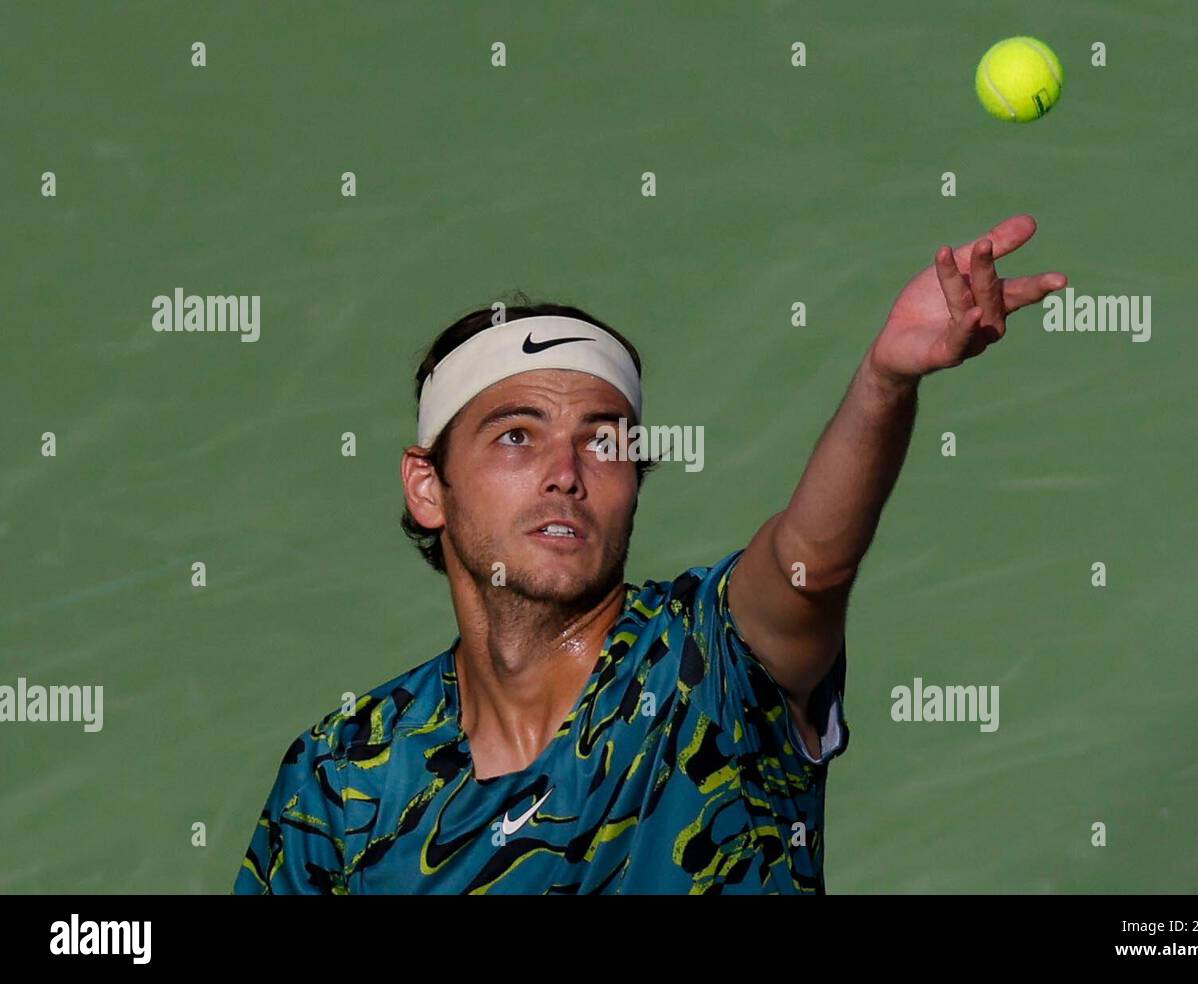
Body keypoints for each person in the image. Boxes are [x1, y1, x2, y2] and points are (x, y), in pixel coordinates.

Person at [233, 214, 1066, 894]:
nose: (565, 475)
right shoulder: (344, 774)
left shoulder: (712, 664)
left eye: (603, 443)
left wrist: (886, 380)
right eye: (517, 437)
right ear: (428, 486)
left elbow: (815, 562)